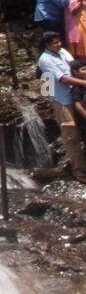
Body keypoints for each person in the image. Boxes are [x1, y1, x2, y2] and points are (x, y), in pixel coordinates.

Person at [37, 32, 86, 183]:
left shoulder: (63, 52)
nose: (59, 45)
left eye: (59, 42)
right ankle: (79, 171)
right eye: (55, 43)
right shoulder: (45, 60)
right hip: (62, 98)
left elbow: (75, 68)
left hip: (77, 93)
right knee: (71, 134)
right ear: (47, 45)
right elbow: (62, 78)